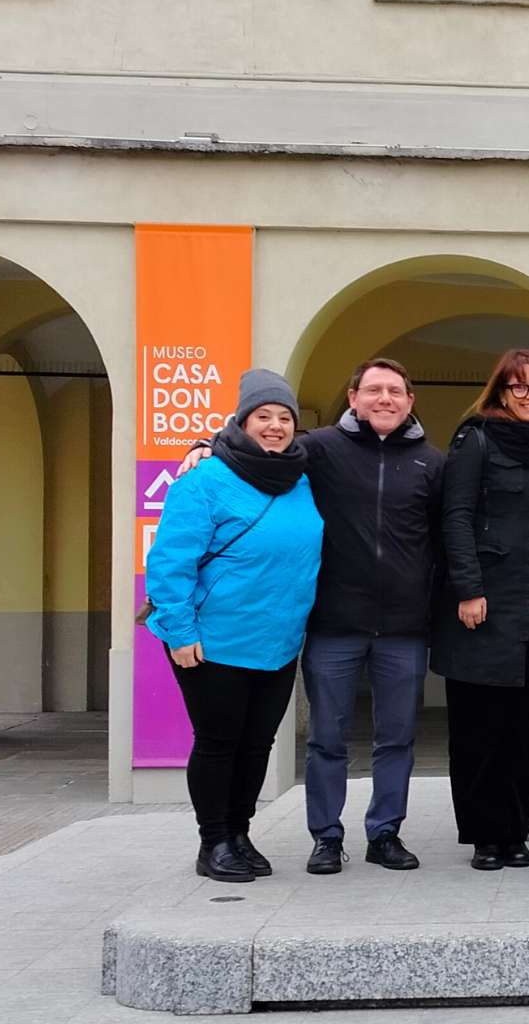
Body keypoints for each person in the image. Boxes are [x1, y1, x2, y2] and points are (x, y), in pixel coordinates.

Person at [178, 357, 444, 876]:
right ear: (354, 397)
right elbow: (257, 445)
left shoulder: (431, 463)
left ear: (411, 401)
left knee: (397, 738)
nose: (384, 399)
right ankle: (326, 837)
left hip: (404, 628)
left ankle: (385, 833)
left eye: (396, 390)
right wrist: (206, 444)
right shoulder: (318, 449)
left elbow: (444, 536)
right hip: (331, 624)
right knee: (326, 738)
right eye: (373, 390)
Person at [147, 369, 323, 882]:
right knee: (219, 742)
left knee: (257, 744)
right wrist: (180, 633)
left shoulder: (302, 479)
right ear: (242, 421)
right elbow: (169, 563)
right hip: (212, 642)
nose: (274, 426)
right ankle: (213, 841)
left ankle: (240, 833)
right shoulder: (204, 480)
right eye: (263, 416)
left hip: (278, 640)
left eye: (284, 418)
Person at [435, 350, 529, 872]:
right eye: (520, 388)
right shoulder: (476, 439)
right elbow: (456, 517)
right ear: (500, 393)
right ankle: (484, 836)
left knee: (524, 731)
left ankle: (516, 832)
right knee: (479, 731)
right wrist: (468, 589)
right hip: (484, 606)